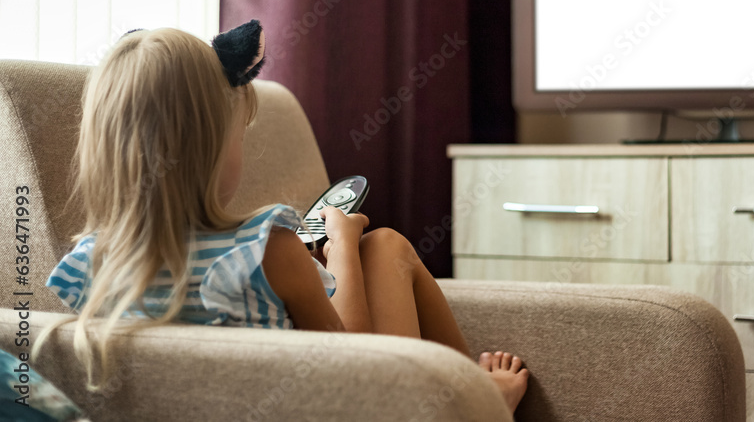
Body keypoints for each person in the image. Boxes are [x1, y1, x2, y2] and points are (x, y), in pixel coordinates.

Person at [40, 23, 528, 413]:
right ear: (210, 149)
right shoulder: (268, 249)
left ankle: (470, 396)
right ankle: (483, 408)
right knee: (385, 248)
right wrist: (338, 247)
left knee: (382, 246)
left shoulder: (89, 265)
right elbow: (355, 366)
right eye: (238, 136)